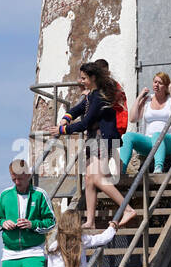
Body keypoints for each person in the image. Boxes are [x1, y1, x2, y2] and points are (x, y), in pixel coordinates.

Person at [58, 61, 137, 229]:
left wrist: (62, 130)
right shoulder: (92, 95)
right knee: (89, 179)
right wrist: (67, 117)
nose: (81, 81)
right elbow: (79, 109)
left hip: (102, 139)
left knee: (98, 178)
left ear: (93, 78)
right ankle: (90, 221)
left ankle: (128, 209)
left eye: (84, 78)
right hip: (94, 139)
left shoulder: (99, 96)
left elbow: (86, 122)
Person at [120, 72, 171, 176]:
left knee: (158, 134)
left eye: (160, 83)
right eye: (155, 82)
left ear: (166, 86)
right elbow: (132, 119)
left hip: (170, 141)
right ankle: (121, 170)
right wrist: (139, 97)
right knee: (127, 136)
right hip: (150, 141)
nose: (156, 85)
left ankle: (158, 169)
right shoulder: (147, 100)